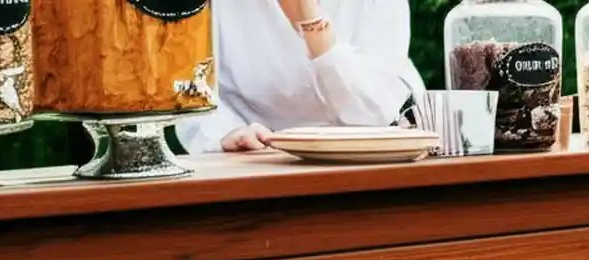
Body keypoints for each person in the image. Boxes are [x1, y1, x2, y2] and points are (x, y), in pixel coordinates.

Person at [176, 0, 424, 153]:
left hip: (374, 158)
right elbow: (193, 93)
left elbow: (377, 116)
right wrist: (225, 136)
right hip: (257, 165)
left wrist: (311, 24)